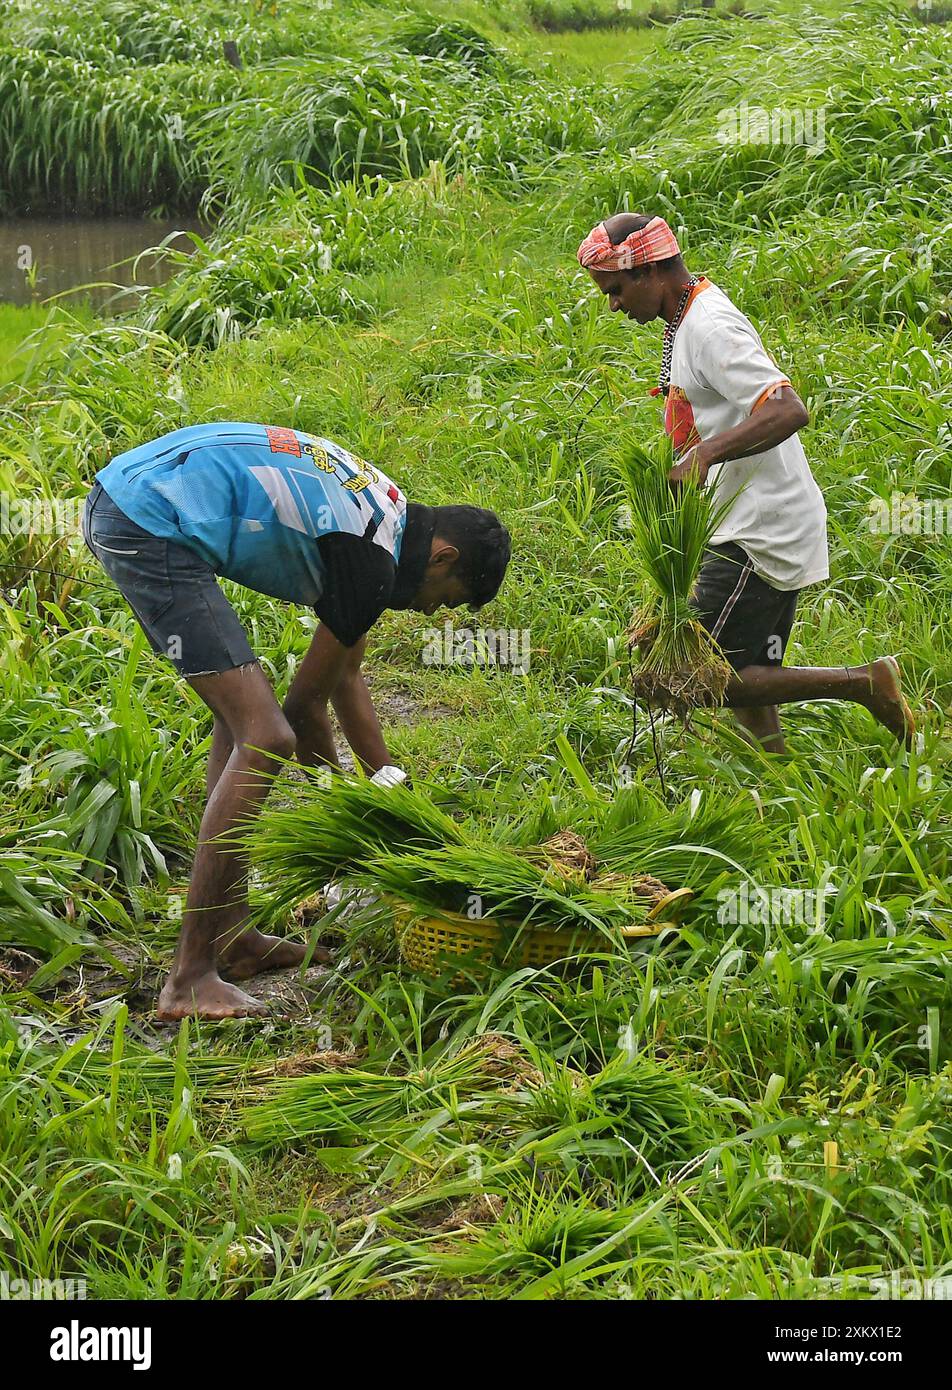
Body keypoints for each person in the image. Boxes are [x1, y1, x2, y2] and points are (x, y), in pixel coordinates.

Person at [82, 421, 511, 1019]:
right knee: (266, 735)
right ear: (444, 556)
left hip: (145, 501)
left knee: (240, 723)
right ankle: (188, 978)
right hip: (146, 522)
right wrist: (349, 817)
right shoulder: (372, 562)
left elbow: (346, 675)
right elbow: (305, 707)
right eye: (446, 597)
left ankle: (234, 942)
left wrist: (392, 789)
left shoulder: (385, 516)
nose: (430, 611)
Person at [578, 212, 916, 754]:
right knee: (752, 666)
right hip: (751, 517)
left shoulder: (710, 327)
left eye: (615, 290)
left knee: (695, 675)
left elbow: (788, 409)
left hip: (758, 529)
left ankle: (864, 683)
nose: (613, 305)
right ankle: (776, 769)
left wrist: (707, 453)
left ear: (651, 270)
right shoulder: (684, 321)